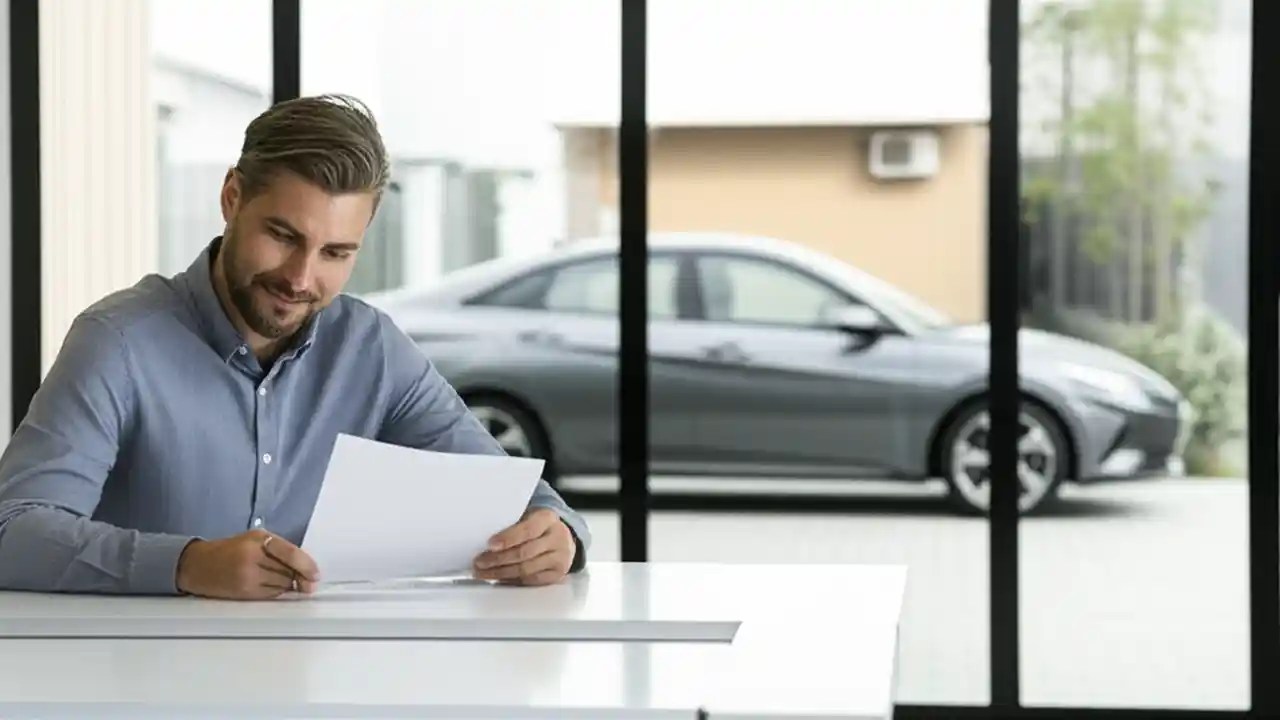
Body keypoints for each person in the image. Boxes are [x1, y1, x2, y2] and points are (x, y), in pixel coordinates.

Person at [0, 94, 589, 599]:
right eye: (282, 236)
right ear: (232, 197)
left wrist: (557, 532)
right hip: (133, 683)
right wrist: (186, 563)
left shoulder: (372, 349)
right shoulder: (119, 342)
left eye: (336, 253)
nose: (302, 278)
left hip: (322, 682)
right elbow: (14, 531)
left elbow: (513, 494)